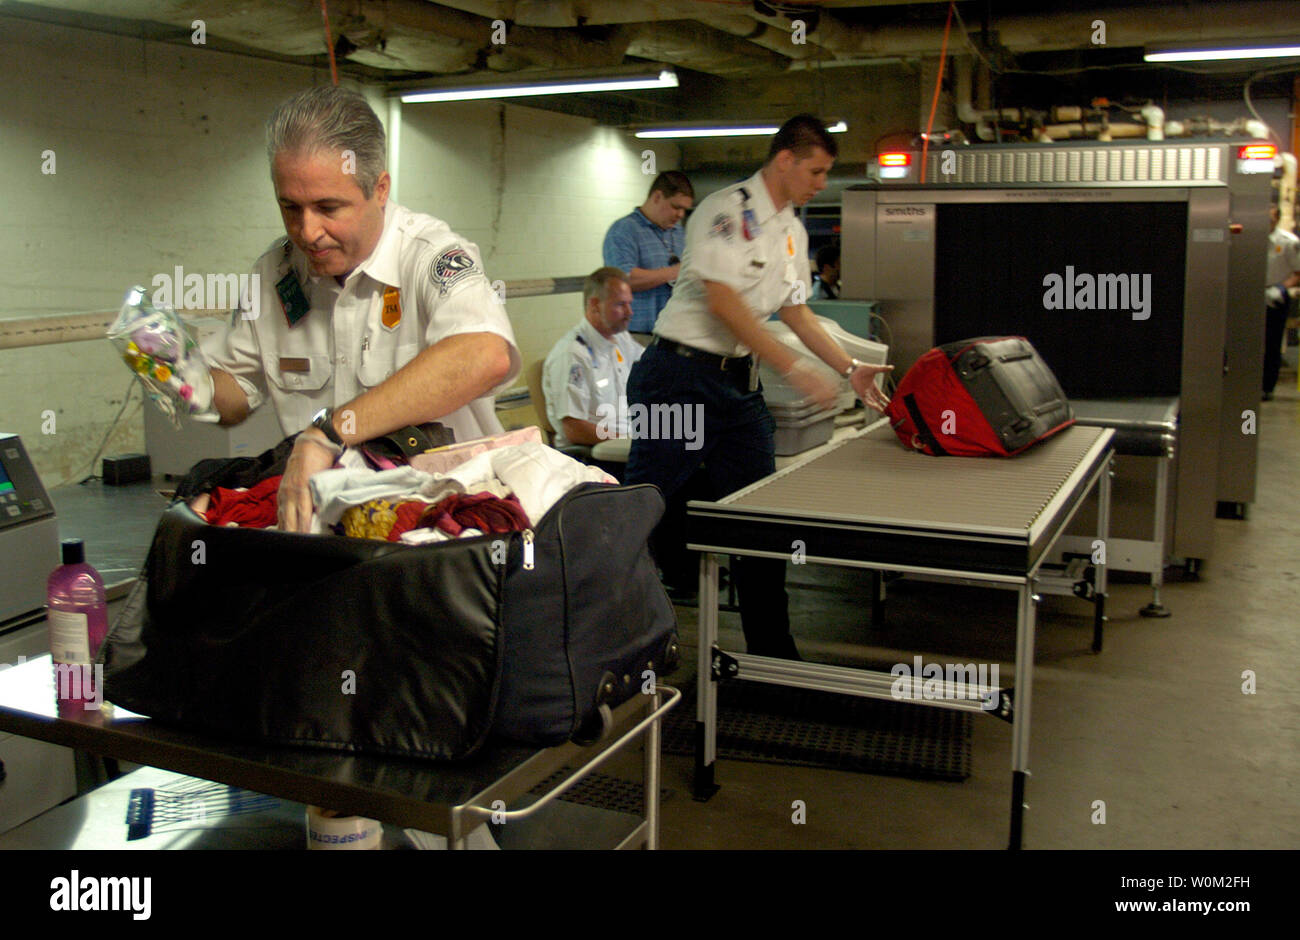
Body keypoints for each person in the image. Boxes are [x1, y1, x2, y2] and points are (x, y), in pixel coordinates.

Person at [624, 115, 892, 659]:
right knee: (642, 509)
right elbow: (724, 303)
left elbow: (795, 311)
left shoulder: (791, 229)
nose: (821, 182)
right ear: (785, 160)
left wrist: (847, 369)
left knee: (760, 518)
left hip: (736, 391)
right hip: (675, 381)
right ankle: (616, 637)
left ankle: (773, 654)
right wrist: (792, 370)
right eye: (816, 171)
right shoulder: (723, 212)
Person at [197, 85, 520, 531]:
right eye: (290, 207)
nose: (308, 231)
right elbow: (234, 396)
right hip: (331, 533)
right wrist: (179, 374)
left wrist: (329, 433)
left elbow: (485, 355)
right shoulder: (274, 275)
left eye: (328, 208)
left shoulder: (431, 256)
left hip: (435, 530)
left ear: (380, 188)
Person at [542, 266, 643, 449]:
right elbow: (574, 429)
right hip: (593, 454)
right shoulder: (573, 355)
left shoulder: (620, 338)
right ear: (595, 305)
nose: (630, 312)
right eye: (621, 305)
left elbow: (653, 367)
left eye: (629, 303)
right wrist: (631, 442)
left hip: (627, 441)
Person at [602, 171, 694, 339]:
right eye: (676, 207)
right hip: (635, 336)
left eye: (684, 210)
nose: (680, 214)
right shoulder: (624, 230)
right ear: (657, 196)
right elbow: (623, 279)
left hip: (674, 335)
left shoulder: (679, 233)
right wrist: (674, 272)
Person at [1263, 198, 1300, 400]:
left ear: (1277, 219)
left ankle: (1267, 387)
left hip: (1276, 297)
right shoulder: (1252, 238)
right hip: (1252, 293)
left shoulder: (1288, 242)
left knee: (1272, 342)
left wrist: (1280, 289)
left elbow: (1297, 272)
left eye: (1270, 217)